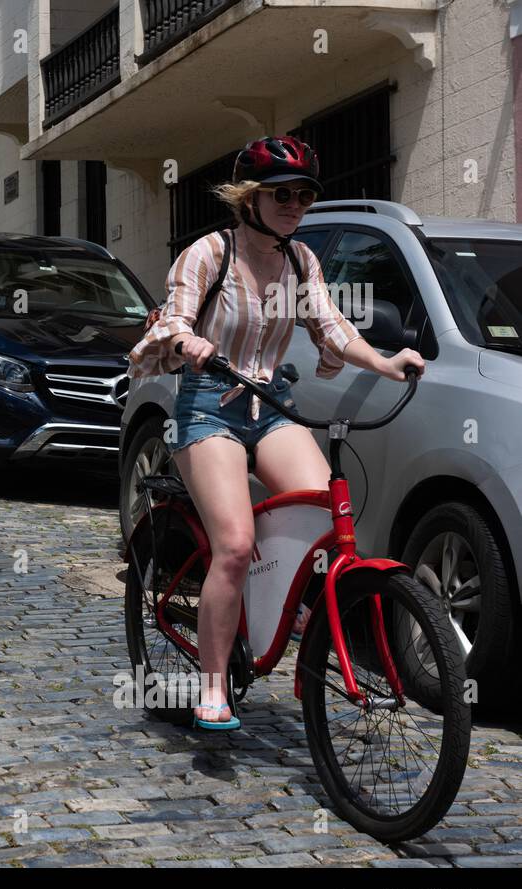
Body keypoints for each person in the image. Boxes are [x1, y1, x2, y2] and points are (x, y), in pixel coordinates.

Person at [126, 135, 426, 731]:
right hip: (208, 407)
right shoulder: (208, 254)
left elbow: (332, 326)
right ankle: (213, 686)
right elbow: (173, 322)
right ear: (250, 199)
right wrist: (188, 342)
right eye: (281, 193)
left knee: (324, 517)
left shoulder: (299, 262)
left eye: (304, 195)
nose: (294, 204)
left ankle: (269, 602)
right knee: (234, 544)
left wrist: (387, 363)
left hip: (270, 404)